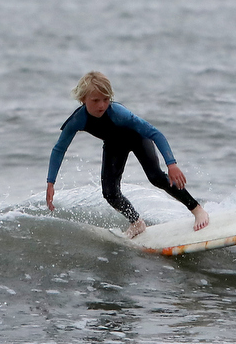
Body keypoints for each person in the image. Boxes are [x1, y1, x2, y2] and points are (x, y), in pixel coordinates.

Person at [45, 71, 209, 237]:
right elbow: (59, 148)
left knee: (156, 177)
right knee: (110, 193)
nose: (102, 105)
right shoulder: (78, 120)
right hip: (114, 145)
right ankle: (137, 223)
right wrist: (51, 182)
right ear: (83, 99)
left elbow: (154, 133)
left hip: (138, 139)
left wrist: (171, 163)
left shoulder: (117, 113)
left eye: (106, 99)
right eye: (95, 100)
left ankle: (197, 209)